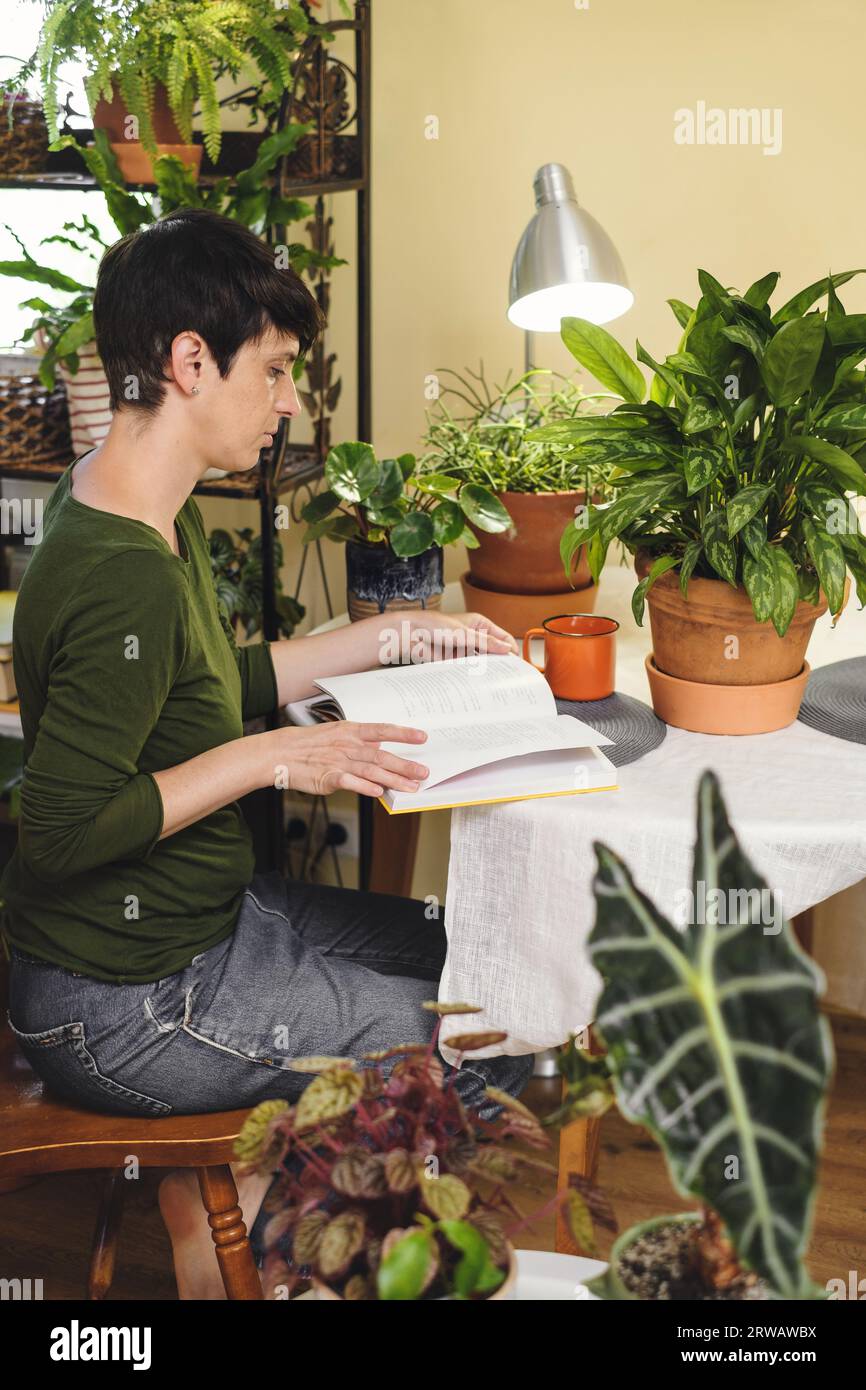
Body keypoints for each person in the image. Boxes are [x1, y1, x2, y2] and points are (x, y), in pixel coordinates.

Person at [0, 208, 534, 1298]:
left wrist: (390, 635)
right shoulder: (122, 571)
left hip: (204, 931)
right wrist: (276, 762)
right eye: (276, 368)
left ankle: (248, 1216)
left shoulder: (139, 506)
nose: (290, 400)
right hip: (127, 1001)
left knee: (485, 972)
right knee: (481, 1038)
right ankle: (323, 1258)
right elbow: (56, 832)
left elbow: (207, 688)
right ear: (190, 362)